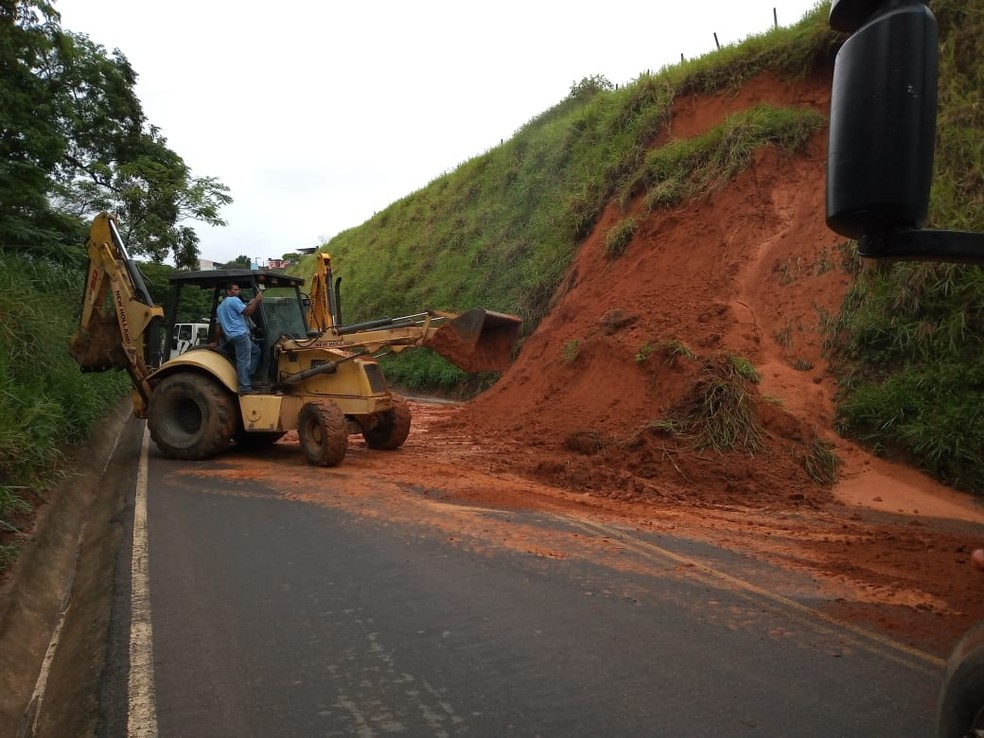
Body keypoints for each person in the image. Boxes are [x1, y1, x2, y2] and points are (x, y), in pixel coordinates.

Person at [212, 282, 263, 394]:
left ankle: (247, 378)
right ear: (228, 291)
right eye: (235, 289)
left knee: (256, 351)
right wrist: (257, 300)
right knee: (243, 361)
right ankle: (245, 387)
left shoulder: (220, 307)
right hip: (241, 335)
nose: (238, 291)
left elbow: (218, 326)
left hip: (230, 337)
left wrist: (216, 342)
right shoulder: (233, 300)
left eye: (238, 289)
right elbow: (248, 312)